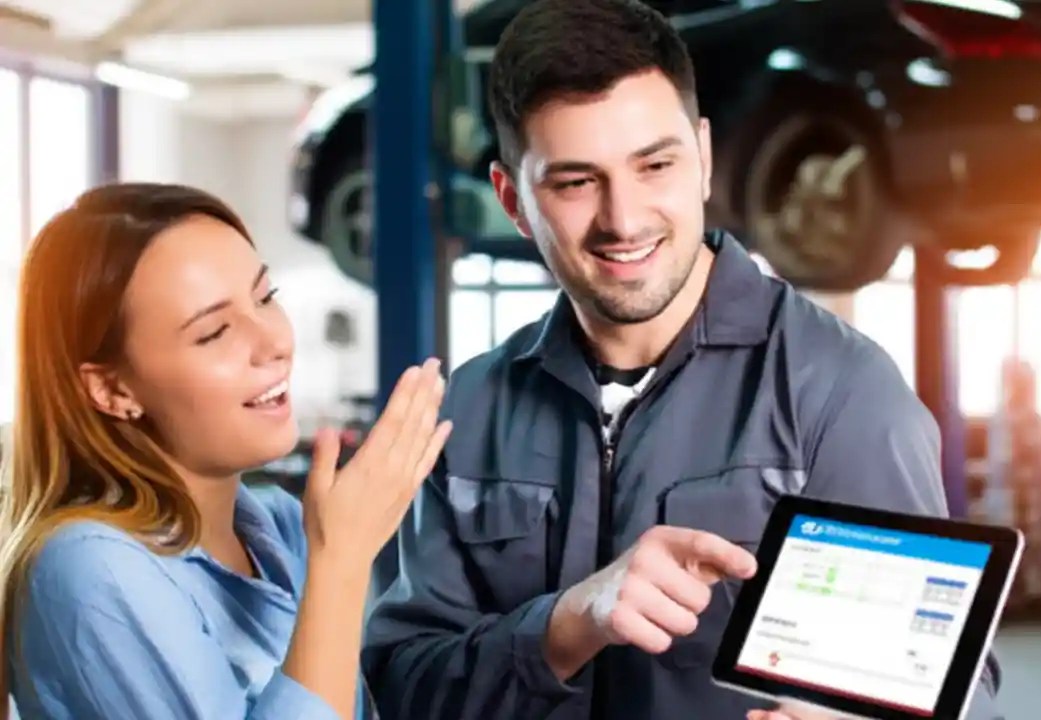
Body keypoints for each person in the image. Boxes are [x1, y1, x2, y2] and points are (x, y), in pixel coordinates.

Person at [362, 1, 1004, 719]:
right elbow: (402, 687)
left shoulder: (837, 393)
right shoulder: (470, 411)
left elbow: (951, 688)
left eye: (655, 165)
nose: (624, 219)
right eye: (575, 182)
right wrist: (569, 623)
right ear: (514, 201)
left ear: (702, 158)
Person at [0, 183, 452, 720]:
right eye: (214, 332)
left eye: (265, 297)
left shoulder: (283, 527)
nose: (274, 343)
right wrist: (342, 561)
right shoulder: (91, 567)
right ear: (113, 390)